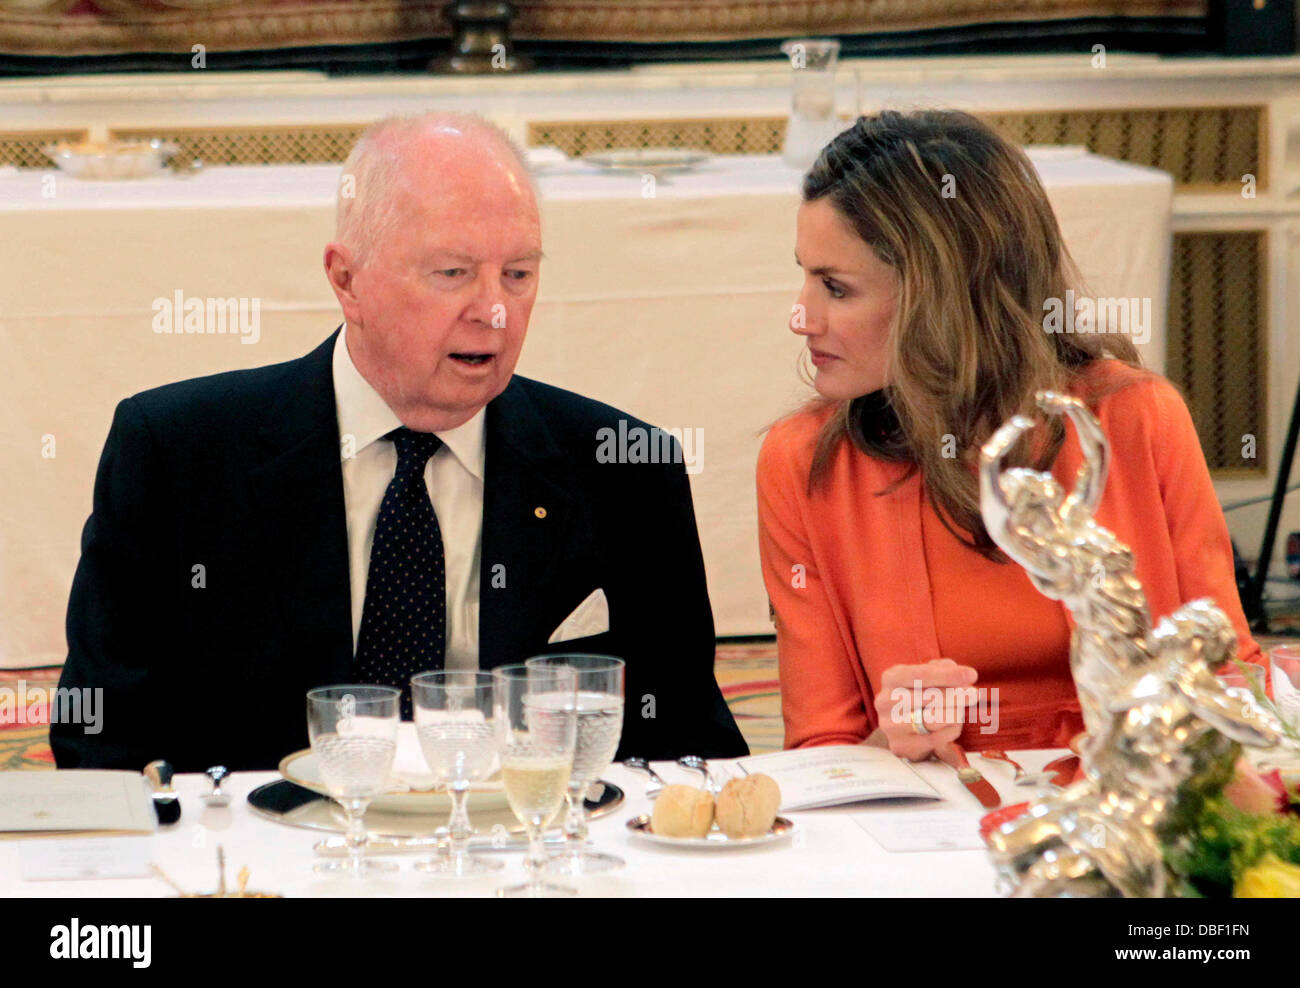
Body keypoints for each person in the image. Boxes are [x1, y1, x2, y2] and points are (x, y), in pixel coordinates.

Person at [54, 112, 746, 772]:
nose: (495, 310)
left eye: (519, 274)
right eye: (452, 274)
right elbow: (100, 737)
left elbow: (690, 739)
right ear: (346, 279)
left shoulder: (622, 467)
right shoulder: (179, 454)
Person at [756, 109, 1262, 762]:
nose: (802, 317)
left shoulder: (1137, 417)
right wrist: (891, 744)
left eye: (835, 287)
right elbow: (821, 752)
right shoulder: (804, 463)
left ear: (942, 295)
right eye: (806, 275)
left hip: (1137, 806)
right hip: (931, 828)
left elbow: (1230, 670)